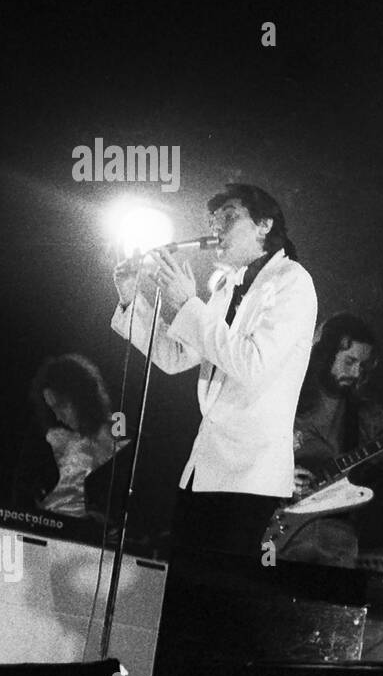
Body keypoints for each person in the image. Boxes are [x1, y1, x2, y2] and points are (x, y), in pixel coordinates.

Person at [111, 184, 317, 561]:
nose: (216, 228)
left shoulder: (293, 282)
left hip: (250, 475)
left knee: (218, 591)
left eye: (229, 217)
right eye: (213, 220)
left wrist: (188, 303)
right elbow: (175, 356)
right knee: (184, 584)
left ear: (263, 225)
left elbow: (252, 364)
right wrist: (130, 298)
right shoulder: (227, 287)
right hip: (205, 467)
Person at [283, 313, 383, 568]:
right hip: (281, 527)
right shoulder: (287, 397)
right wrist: (280, 477)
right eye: (350, 361)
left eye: (363, 366)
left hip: (337, 534)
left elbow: (372, 478)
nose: (356, 372)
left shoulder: (367, 413)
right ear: (325, 354)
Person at [18, 353, 130, 525]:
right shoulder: (54, 439)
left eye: (62, 406)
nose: (58, 416)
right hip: (59, 527)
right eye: (52, 408)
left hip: (104, 534)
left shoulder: (117, 425)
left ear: (82, 396)